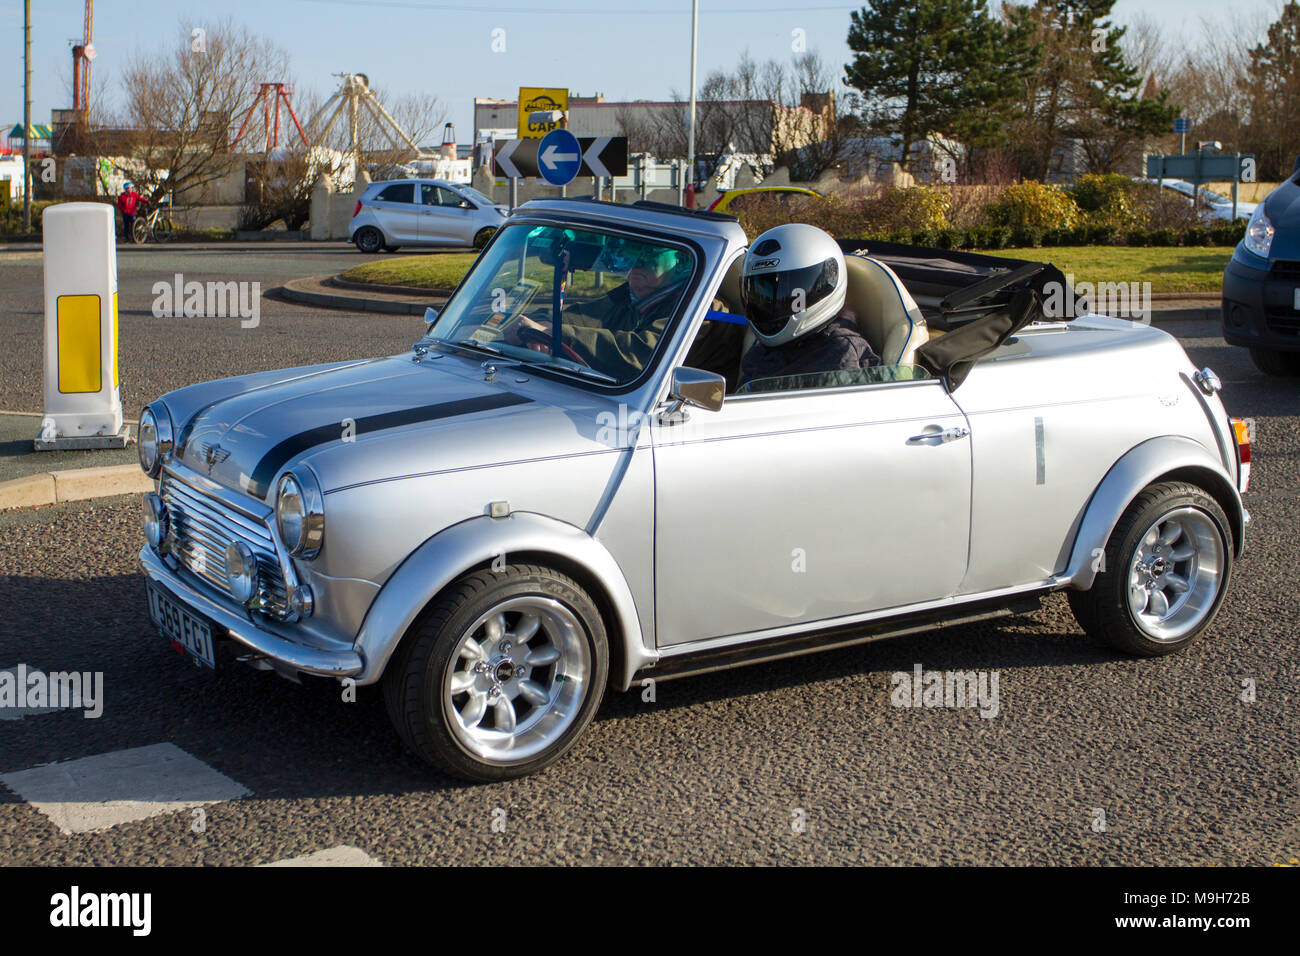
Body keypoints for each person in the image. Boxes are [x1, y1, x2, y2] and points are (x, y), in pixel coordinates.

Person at [505, 241, 690, 380]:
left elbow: (643, 352)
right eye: (633, 250)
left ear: (680, 262)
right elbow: (579, 317)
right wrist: (532, 325)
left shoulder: (699, 307)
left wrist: (553, 333)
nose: (637, 260)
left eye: (650, 252)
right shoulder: (628, 298)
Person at [738, 223, 881, 387]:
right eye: (761, 291)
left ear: (822, 285)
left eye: (786, 290)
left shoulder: (841, 352)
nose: (769, 302)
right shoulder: (766, 348)